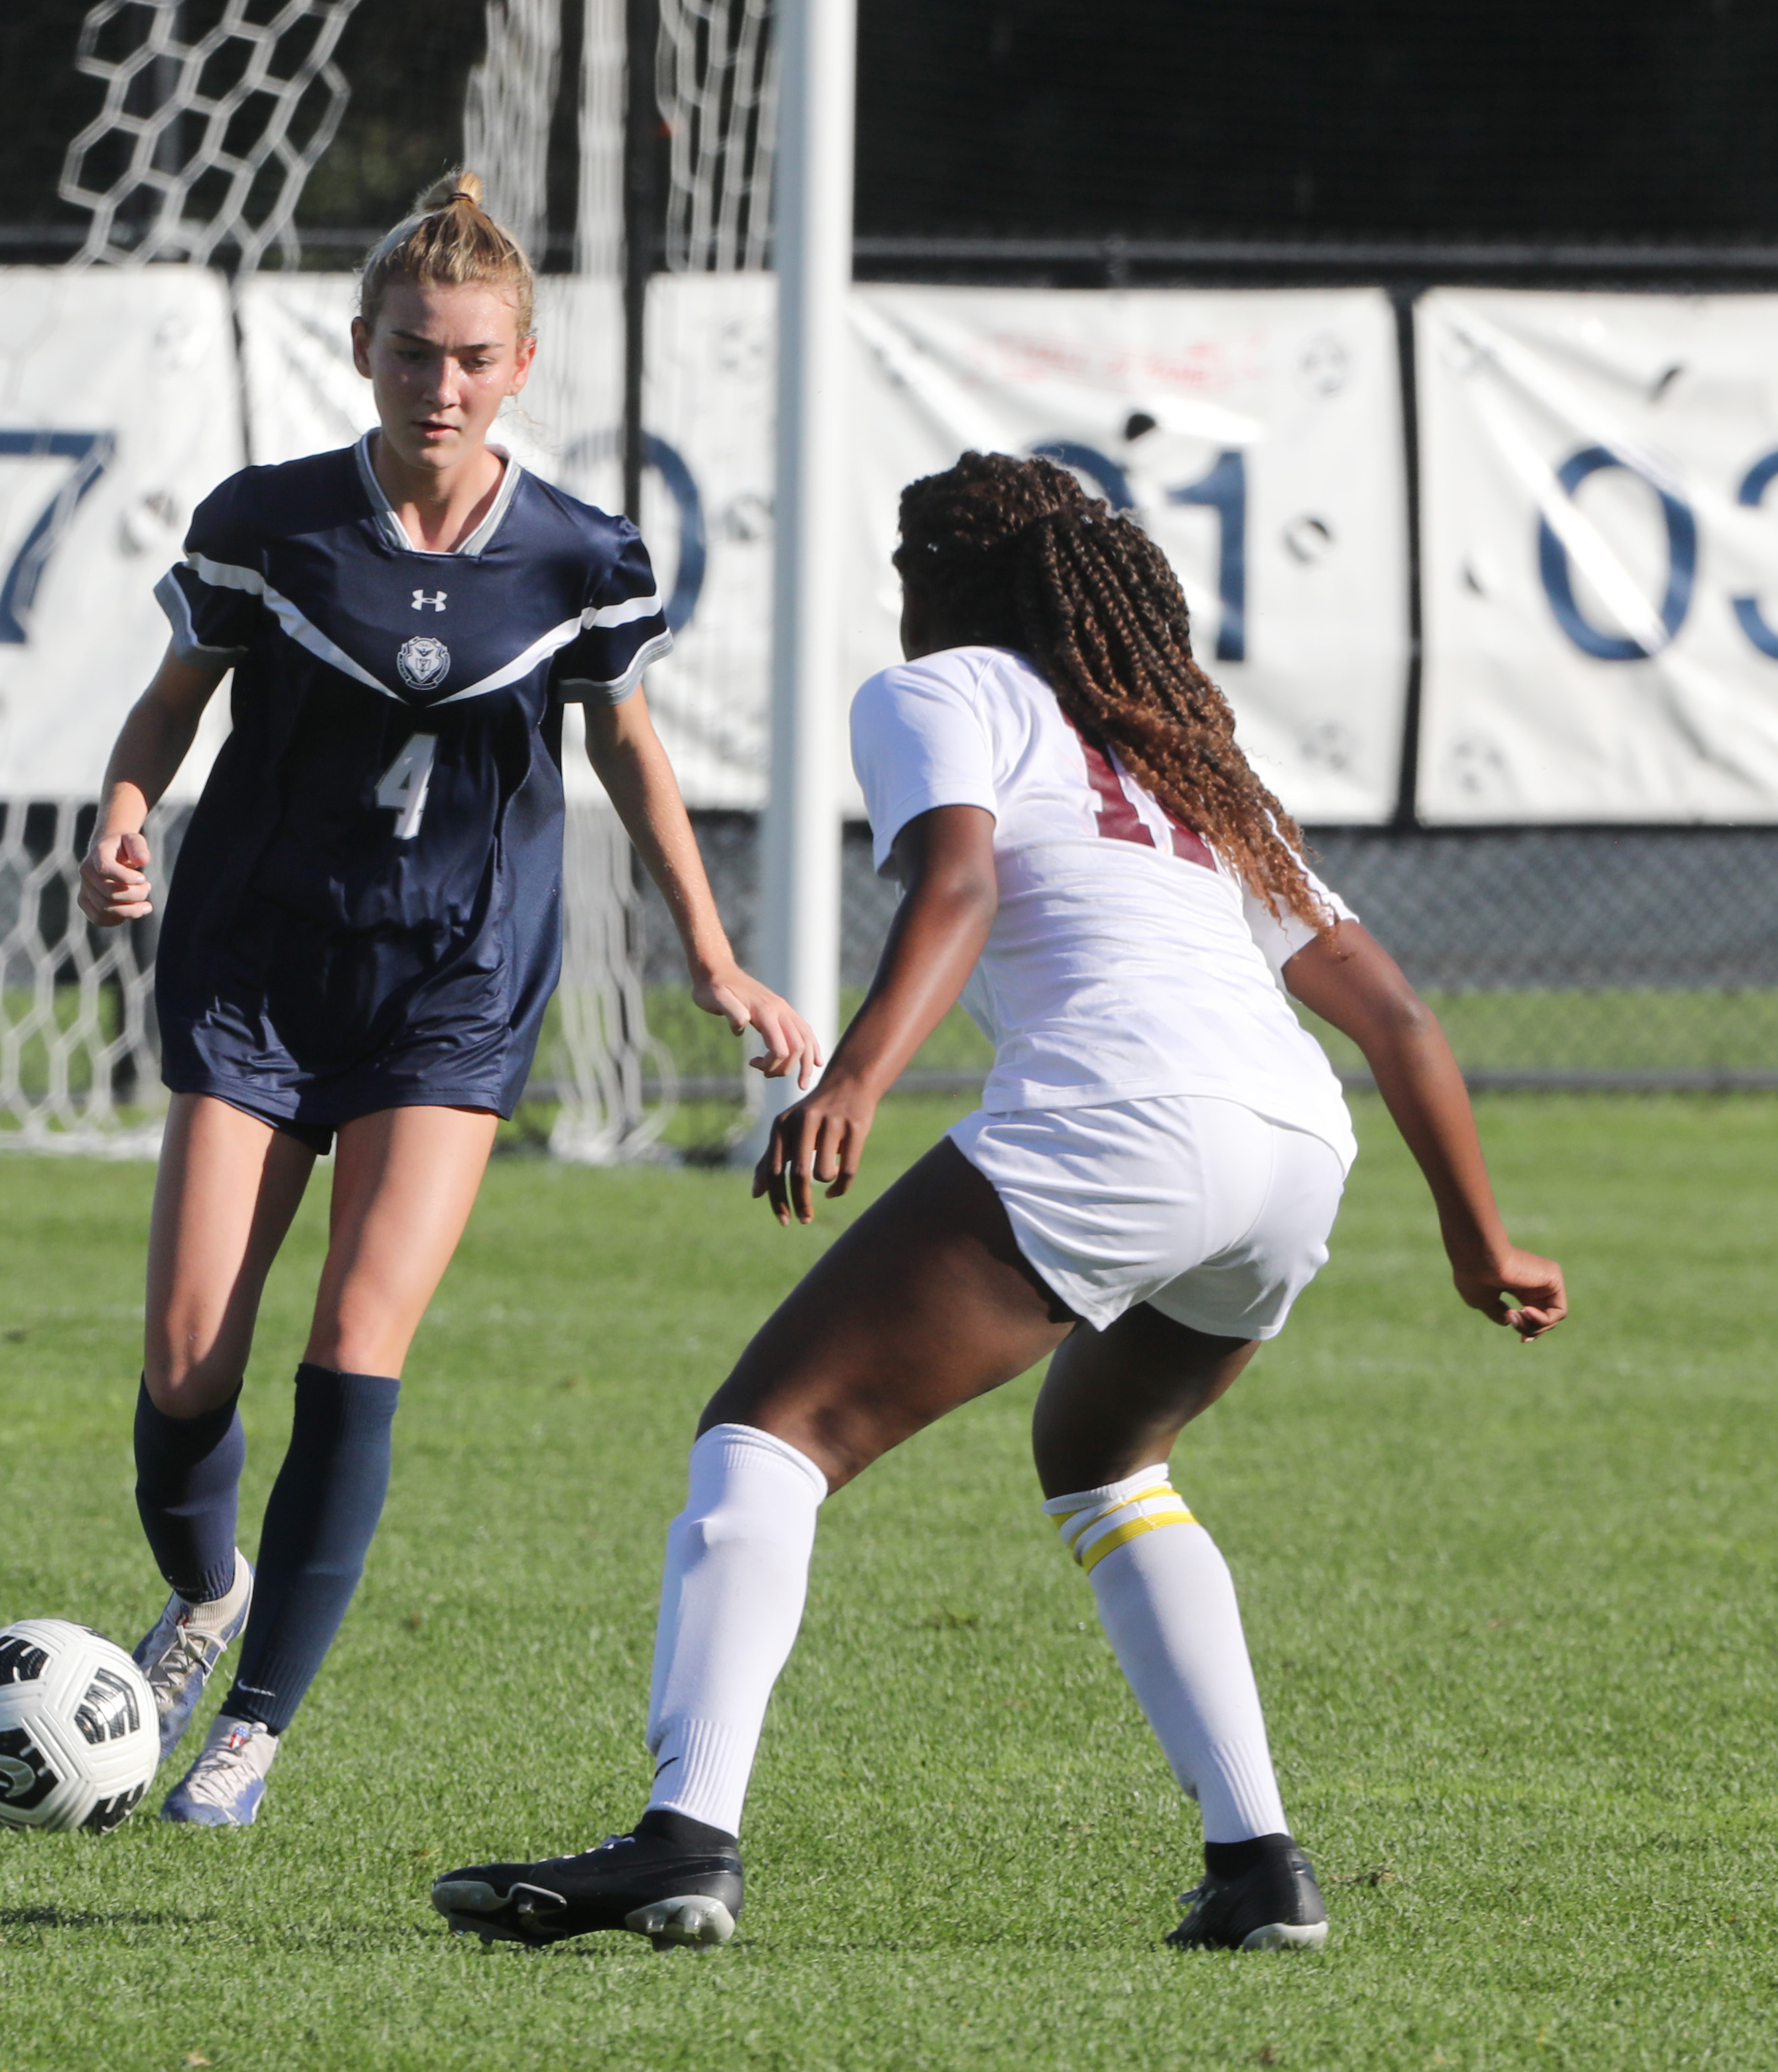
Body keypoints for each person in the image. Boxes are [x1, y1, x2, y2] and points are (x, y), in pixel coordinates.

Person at [431, 452, 1566, 1951]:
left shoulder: (939, 689)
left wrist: (846, 1080)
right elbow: (1398, 1016)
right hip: (1293, 1143)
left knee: (767, 1436)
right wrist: (1476, 1239)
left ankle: (682, 1837)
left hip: (1122, 1115)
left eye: (910, 564)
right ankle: (1256, 1867)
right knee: (1101, 1453)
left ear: (948, 585)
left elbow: (957, 884)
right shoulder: (1183, 752)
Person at [76, 173, 817, 1828]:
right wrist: (122, 818)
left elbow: (630, 752)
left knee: (355, 1340)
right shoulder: (265, 525)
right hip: (257, 966)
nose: (443, 385)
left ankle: (251, 1731)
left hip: (454, 984)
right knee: (191, 1359)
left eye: (475, 357)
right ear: (361, 349)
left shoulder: (578, 557)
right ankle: (207, 1592)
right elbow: (165, 711)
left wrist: (710, 950)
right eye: (414, 353)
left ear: (524, 363)